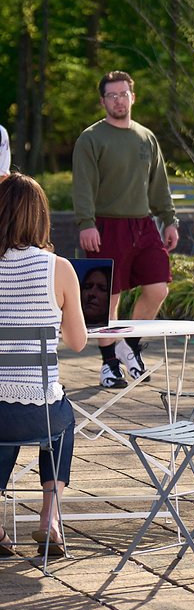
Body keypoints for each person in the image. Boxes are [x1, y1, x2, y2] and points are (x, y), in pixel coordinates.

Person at [72, 71, 178, 389]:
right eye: (112, 95)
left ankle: (129, 345)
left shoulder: (146, 137)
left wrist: (169, 219)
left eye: (123, 94)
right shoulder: (91, 138)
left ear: (133, 96)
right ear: (103, 100)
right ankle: (109, 366)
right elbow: (83, 186)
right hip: (105, 226)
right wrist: (86, 223)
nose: (119, 100)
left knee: (158, 288)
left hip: (143, 225)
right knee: (108, 300)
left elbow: (159, 184)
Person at [0, 173, 88, 559]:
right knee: (61, 419)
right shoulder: (59, 268)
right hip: (41, 416)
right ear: (40, 217)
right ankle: (50, 517)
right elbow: (77, 341)